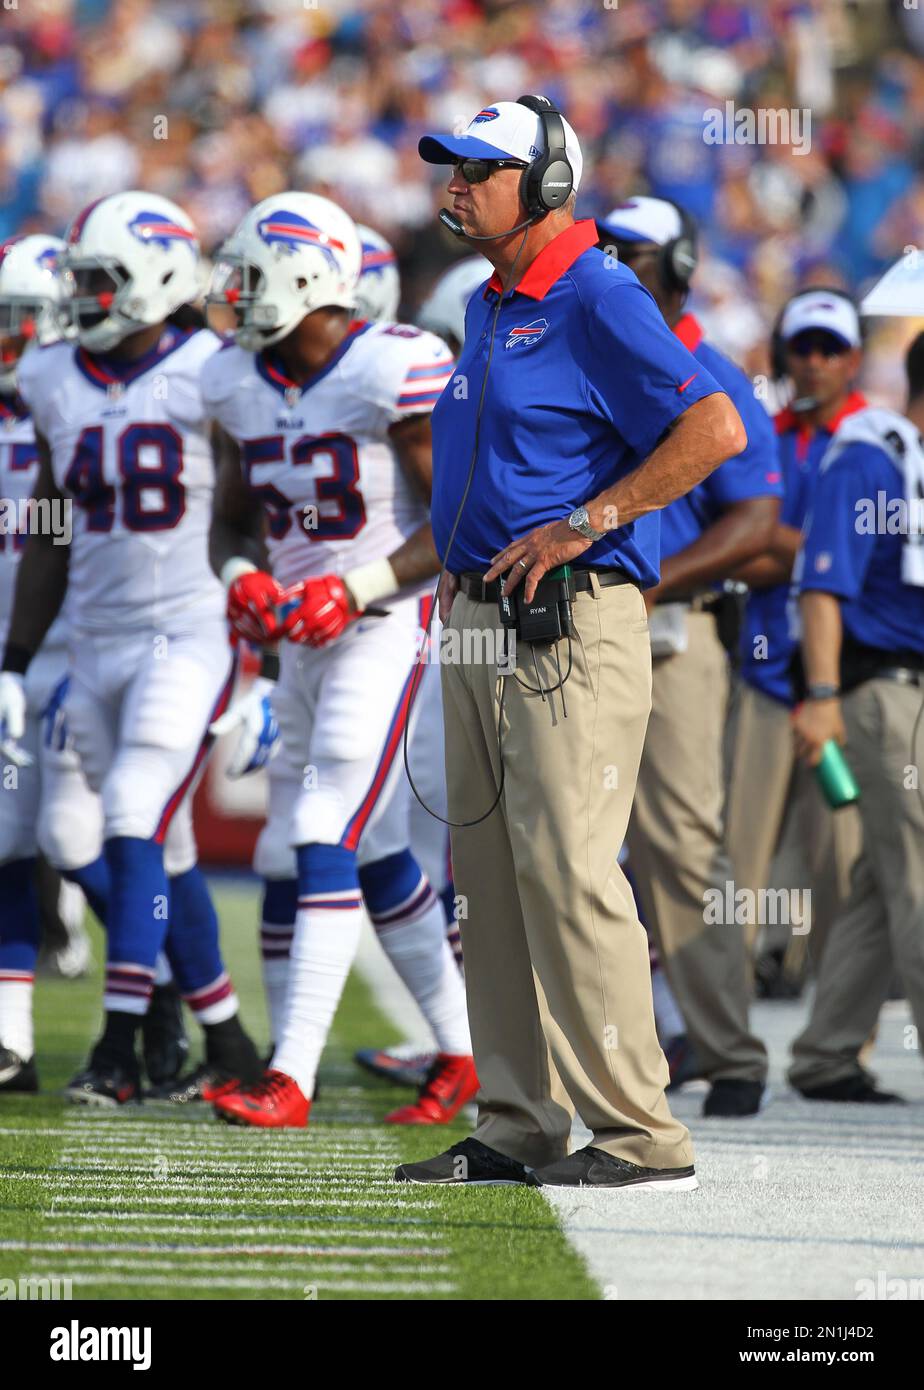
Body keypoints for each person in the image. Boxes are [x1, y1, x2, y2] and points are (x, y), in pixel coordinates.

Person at [397, 96, 746, 1190]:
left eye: (479, 169)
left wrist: (593, 517)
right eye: (449, 166)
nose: (454, 185)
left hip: (568, 625)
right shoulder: (496, 303)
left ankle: (641, 1132)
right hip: (479, 622)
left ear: (546, 181)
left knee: (565, 870)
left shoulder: (596, 293)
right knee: (490, 880)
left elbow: (714, 426)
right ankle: (518, 1120)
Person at [204, 191, 475, 1128]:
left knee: (324, 831)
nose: (232, 294)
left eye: (250, 274)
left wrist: (354, 590)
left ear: (309, 274)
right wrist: (241, 574)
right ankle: (465, 1053)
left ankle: (291, 1078)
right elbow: (230, 521)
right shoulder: (238, 382)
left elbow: (460, 521)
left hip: (384, 628)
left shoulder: (390, 368)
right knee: (382, 854)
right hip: (299, 642)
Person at [0, 191, 262, 1105]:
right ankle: (227, 1037)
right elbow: (50, 530)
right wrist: (15, 658)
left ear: (155, 276)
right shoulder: (52, 378)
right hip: (97, 645)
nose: (80, 298)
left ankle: (120, 1045)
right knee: (161, 845)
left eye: (99, 279)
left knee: (131, 816)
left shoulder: (216, 369)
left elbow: (258, 501)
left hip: (189, 632)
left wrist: (268, 624)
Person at [597, 196, 779, 1116]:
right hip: (580, 622)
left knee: (679, 846)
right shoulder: (586, 351)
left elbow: (758, 519)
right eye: (609, 252)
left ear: (679, 265)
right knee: (566, 842)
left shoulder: (712, 371)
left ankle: (729, 1048)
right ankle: (586, 1055)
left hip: (673, 634)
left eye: (636, 255)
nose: (619, 267)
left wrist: (660, 578)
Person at [787, 331, 924, 1103]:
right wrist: (826, 695)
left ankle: (827, 1051)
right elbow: (821, 583)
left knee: (883, 882)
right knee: (920, 878)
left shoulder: (909, 462)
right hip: (881, 694)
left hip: (905, 692)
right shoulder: (868, 457)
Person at [728, 290, 866, 988]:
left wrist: (778, 543)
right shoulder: (764, 432)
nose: (814, 363)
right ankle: (721, 1037)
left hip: (844, 678)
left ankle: (841, 1039)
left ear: (856, 358)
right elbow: (735, 548)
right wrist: (816, 549)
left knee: (842, 859)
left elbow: (767, 544)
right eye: (803, 348)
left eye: (829, 349)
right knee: (738, 860)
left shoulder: (875, 437)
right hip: (763, 669)